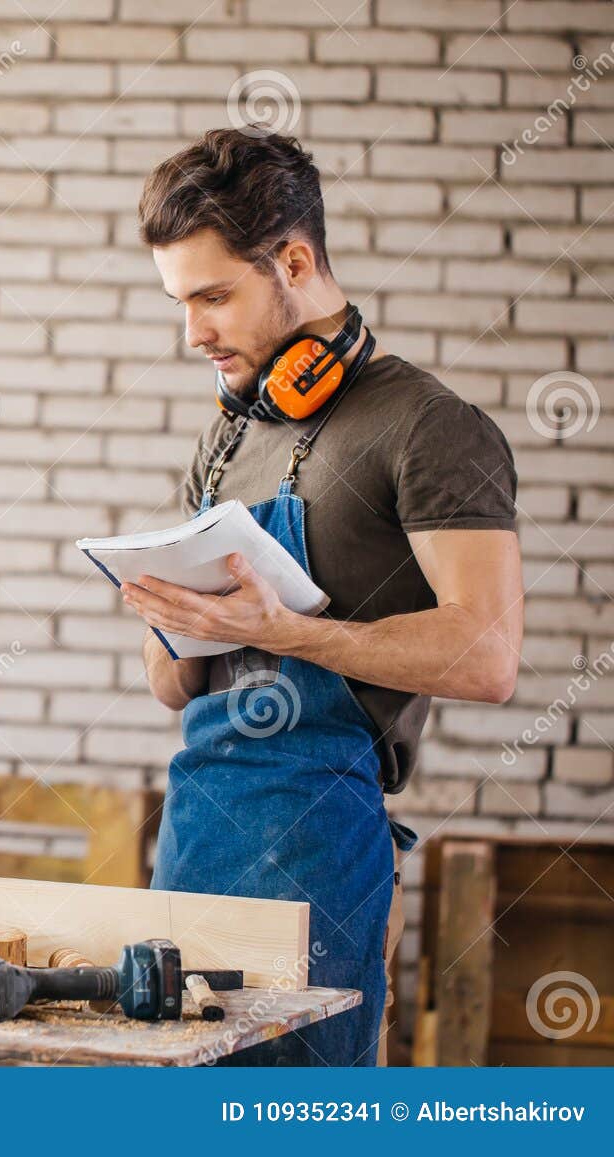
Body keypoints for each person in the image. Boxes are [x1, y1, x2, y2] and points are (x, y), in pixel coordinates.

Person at [125, 130, 522, 1066]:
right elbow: (169, 687)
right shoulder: (227, 439)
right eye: (180, 303)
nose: (194, 334)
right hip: (198, 830)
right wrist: (180, 622)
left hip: (322, 842)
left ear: (294, 262)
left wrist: (285, 632)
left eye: (214, 297)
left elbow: (489, 655)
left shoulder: (428, 427)